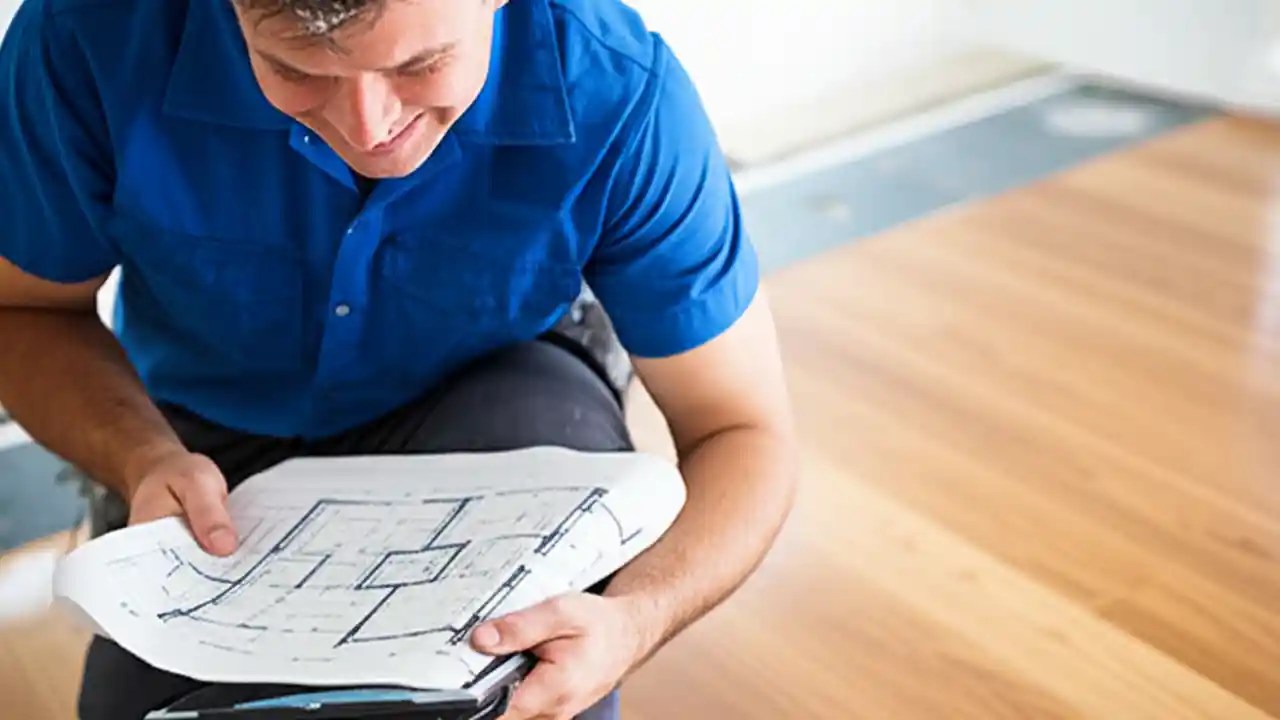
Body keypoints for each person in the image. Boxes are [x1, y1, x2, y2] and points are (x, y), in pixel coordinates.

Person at [0, 0, 798, 718]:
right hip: (197, 436)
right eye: (297, 71)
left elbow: (741, 431)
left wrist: (634, 620)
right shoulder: (83, 38)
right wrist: (138, 457)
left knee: (520, 678)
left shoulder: (620, 92)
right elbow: (23, 311)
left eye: (422, 65)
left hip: (496, 402)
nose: (368, 128)